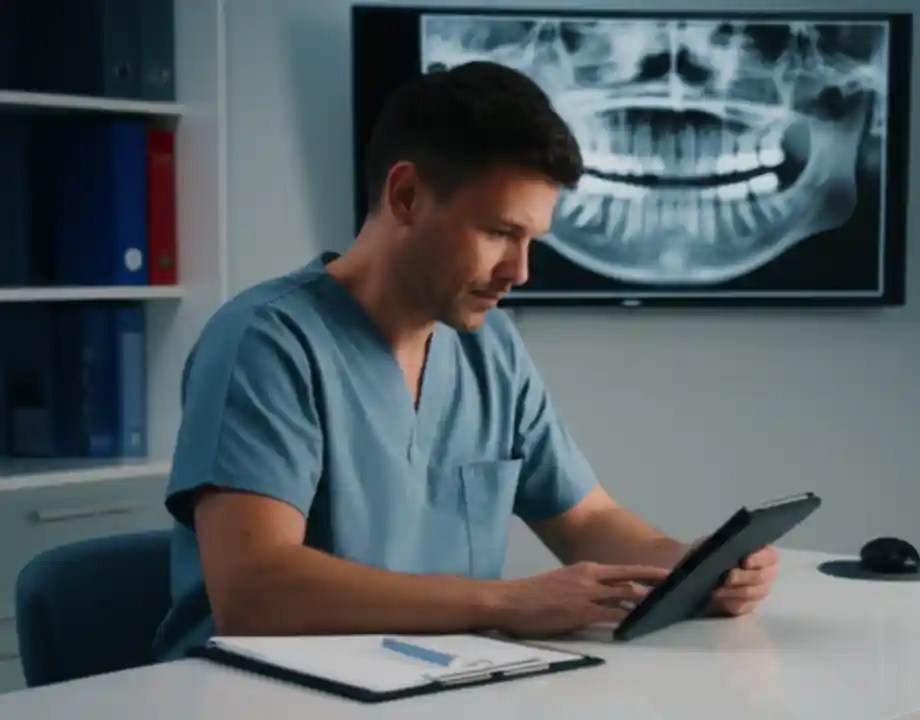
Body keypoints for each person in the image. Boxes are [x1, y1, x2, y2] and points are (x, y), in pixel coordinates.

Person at [151, 60, 779, 661]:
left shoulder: (489, 348)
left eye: (532, 240)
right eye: (500, 233)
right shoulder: (267, 342)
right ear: (405, 196)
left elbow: (588, 519)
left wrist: (695, 566)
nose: (520, 271)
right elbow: (255, 593)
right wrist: (505, 602)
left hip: (440, 680)